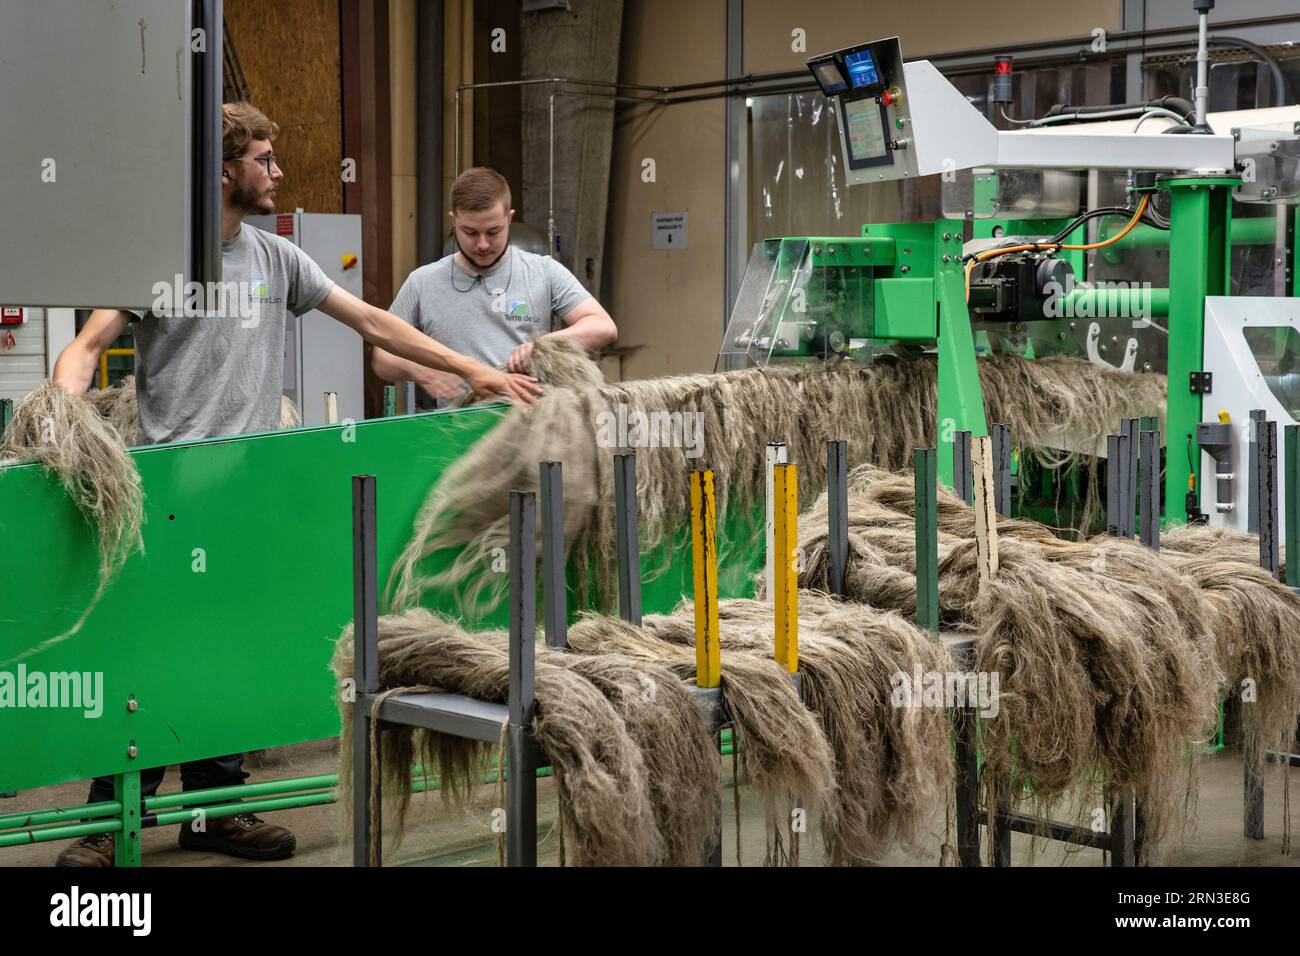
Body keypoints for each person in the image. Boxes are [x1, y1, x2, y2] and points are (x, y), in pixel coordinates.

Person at [49, 103, 541, 867]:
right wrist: (63, 419)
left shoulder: (277, 260)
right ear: (224, 171)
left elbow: (375, 324)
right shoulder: (157, 258)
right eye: (266, 160)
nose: (278, 173)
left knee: (233, 648)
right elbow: (86, 348)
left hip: (250, 491)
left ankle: (215, 811)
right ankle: (108, 822)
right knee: (150, 657)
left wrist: (475, 371)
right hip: (168, 495)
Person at [371, 167, 617, 405]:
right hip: (457, 427)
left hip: (527, 422)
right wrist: (420, 370)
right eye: (470, 232)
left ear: (509, 218)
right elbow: (382, 358)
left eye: (493, 231)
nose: (483, 245)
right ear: (453, 220)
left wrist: (542, 346)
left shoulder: (544, 271)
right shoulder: (422, 282)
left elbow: (602, 327)